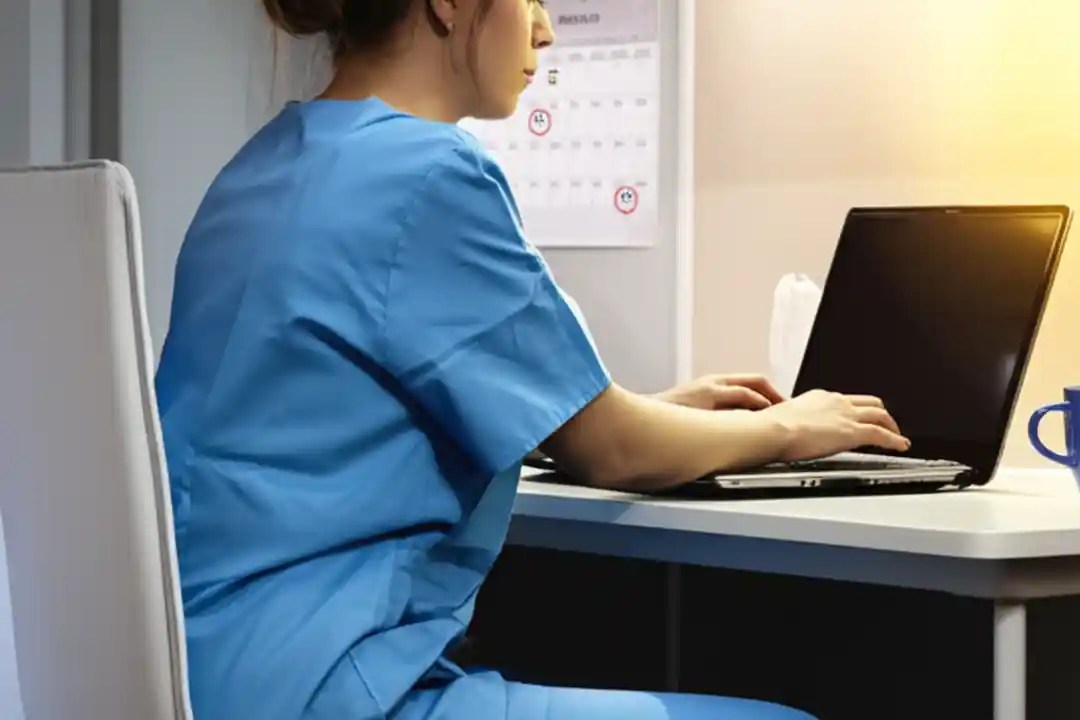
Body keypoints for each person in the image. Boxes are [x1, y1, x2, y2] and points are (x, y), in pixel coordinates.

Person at [153, 1, 909, 718]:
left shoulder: (261, 165)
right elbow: (611, 449)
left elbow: (397, 401)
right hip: (325, 689)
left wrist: (649, 407)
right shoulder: (430, 173)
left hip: (196, 677)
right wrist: (794, 427)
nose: (545, 31)